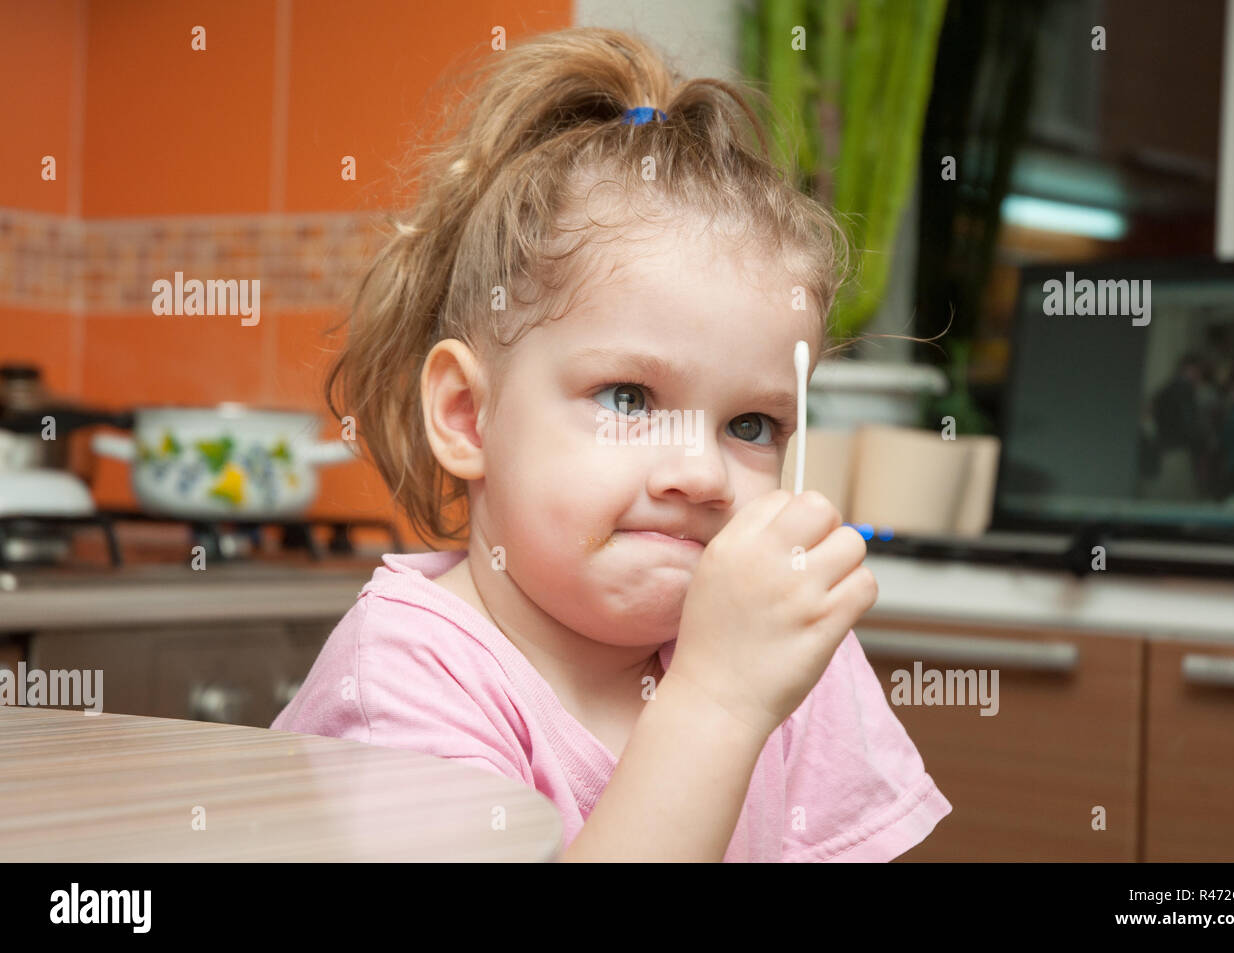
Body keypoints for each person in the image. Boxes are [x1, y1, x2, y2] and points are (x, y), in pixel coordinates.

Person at [271, 27, 951, 862]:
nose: (701, 473)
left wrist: (734, 678)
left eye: (751, 426)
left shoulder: (777, 641)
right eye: (629, 397)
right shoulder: (402, 676)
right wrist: (717, 700)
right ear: (464, 415)